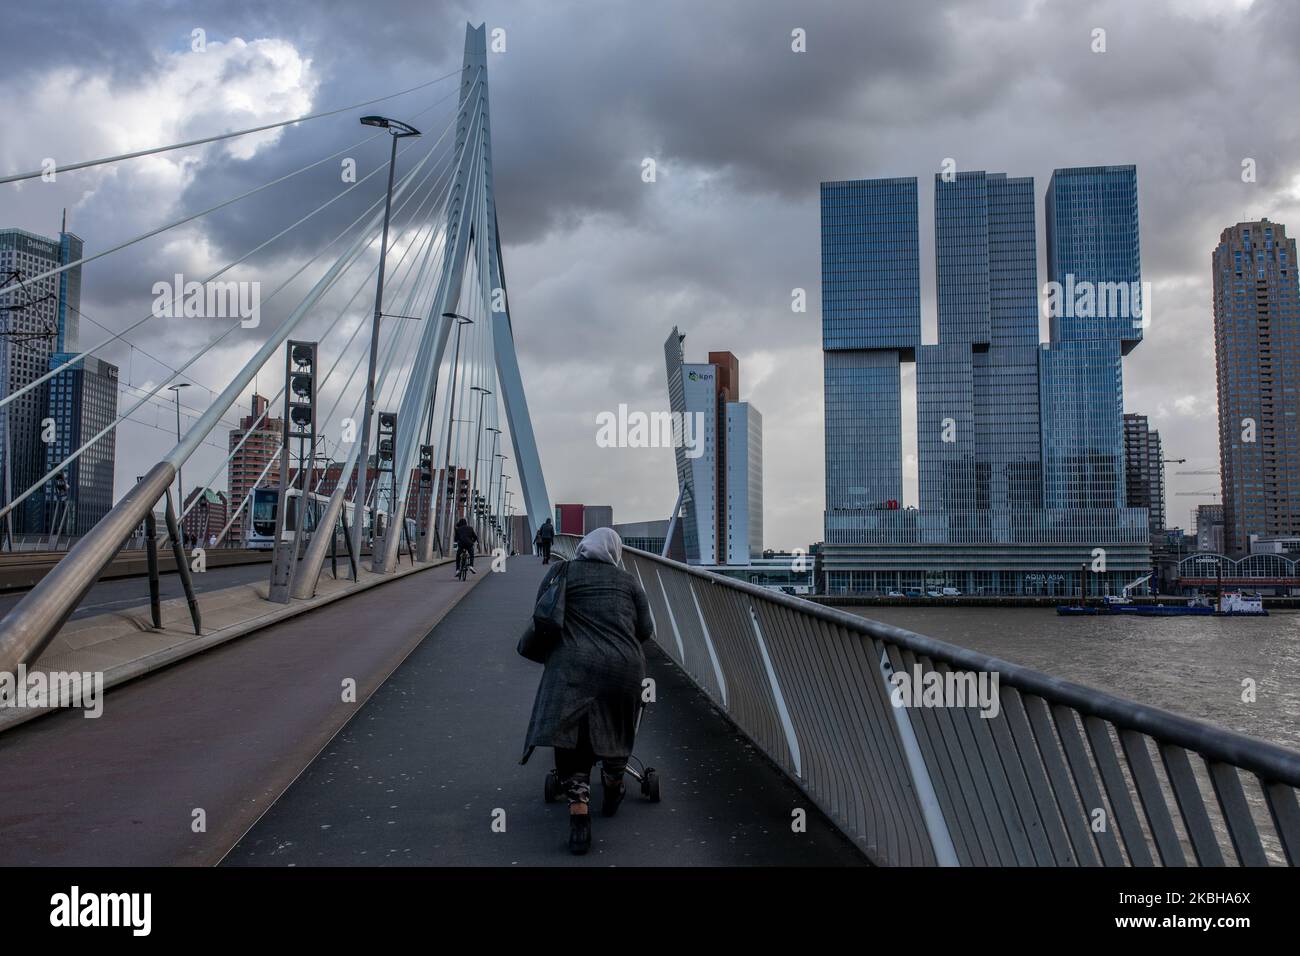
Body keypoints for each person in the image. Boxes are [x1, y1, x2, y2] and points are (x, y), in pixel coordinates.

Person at [520, 527, 653, 854]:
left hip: (572, 666)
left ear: (583, 547)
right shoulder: (629, 581)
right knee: (618, 723)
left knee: (570, 733)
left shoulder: (562, 571)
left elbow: (543, 612)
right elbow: (646, 631)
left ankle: (579, 810)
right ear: (615, 552)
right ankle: (613, 781)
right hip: (623, 667)